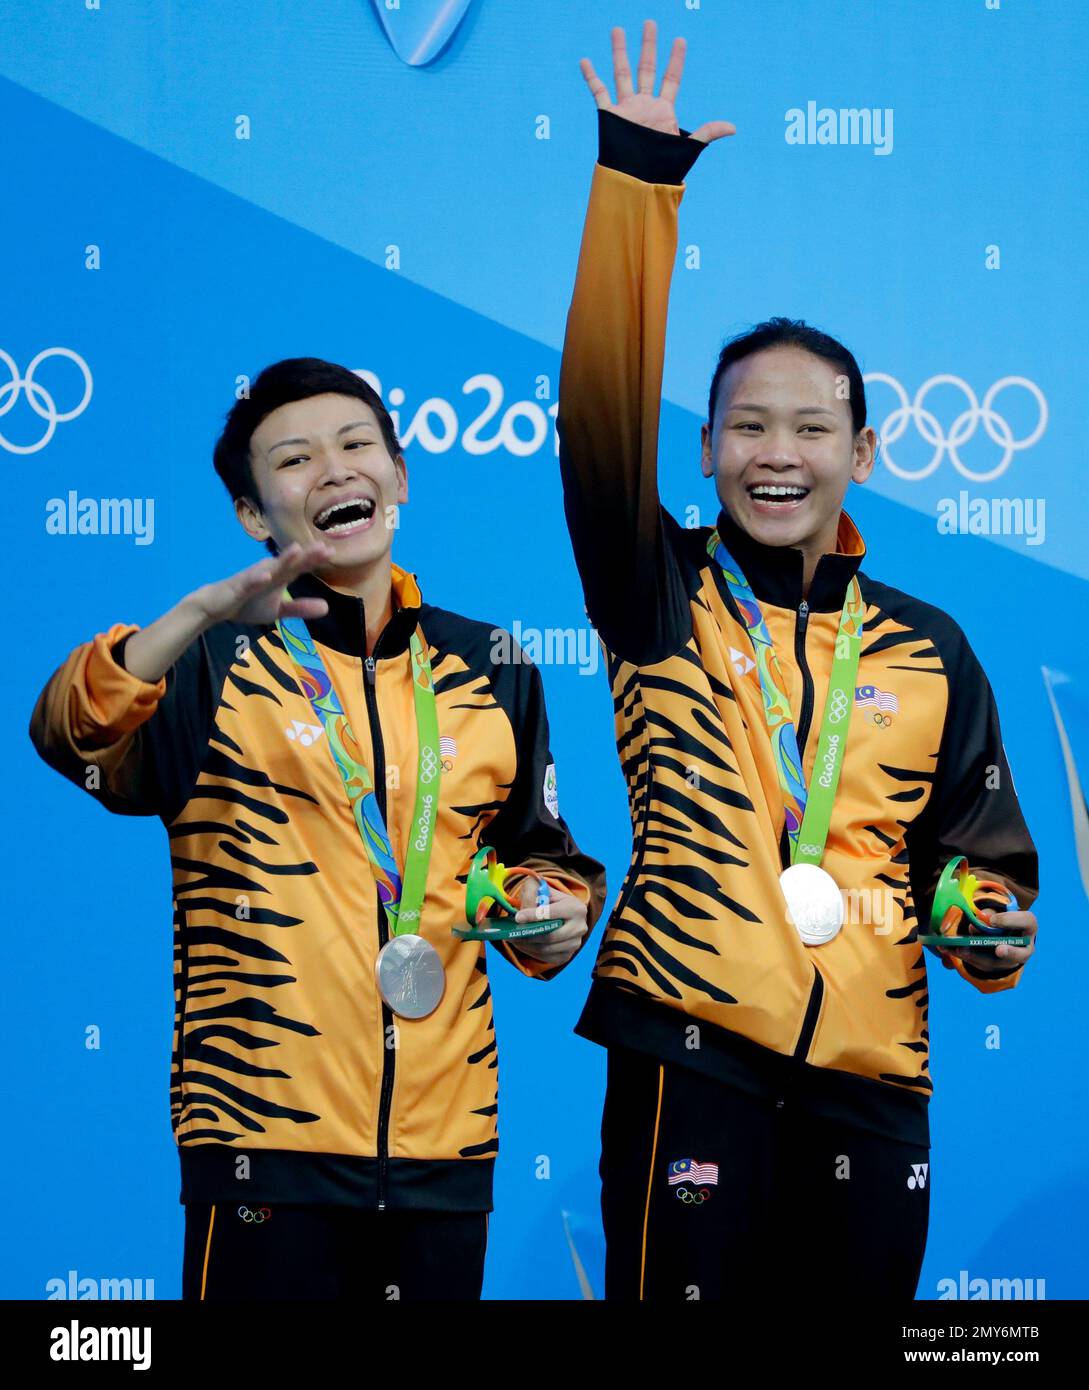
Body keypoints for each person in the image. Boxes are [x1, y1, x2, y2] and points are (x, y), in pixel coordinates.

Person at [557, 22, 1039, 1301]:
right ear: (705, 452)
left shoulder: (932, 647)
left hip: (876, 1092)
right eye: (748, 426)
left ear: (863, 452)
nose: (780, 452)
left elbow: (968, 863)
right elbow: (597, 421)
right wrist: (638, 185)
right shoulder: (654, 592)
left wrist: (982, 925)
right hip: (691, 1053)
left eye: (812, 426)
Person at [30, 356, 606, 1301]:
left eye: (356, 446)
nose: (335, 472)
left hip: (445, 1152)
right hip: (261, 1146)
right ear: (256, 516)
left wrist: (553, 914)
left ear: (400, 477)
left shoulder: (492, 663)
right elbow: (70, 734)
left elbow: (539, 863)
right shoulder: (208, 660)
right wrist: (198, 613)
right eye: (294, 460)